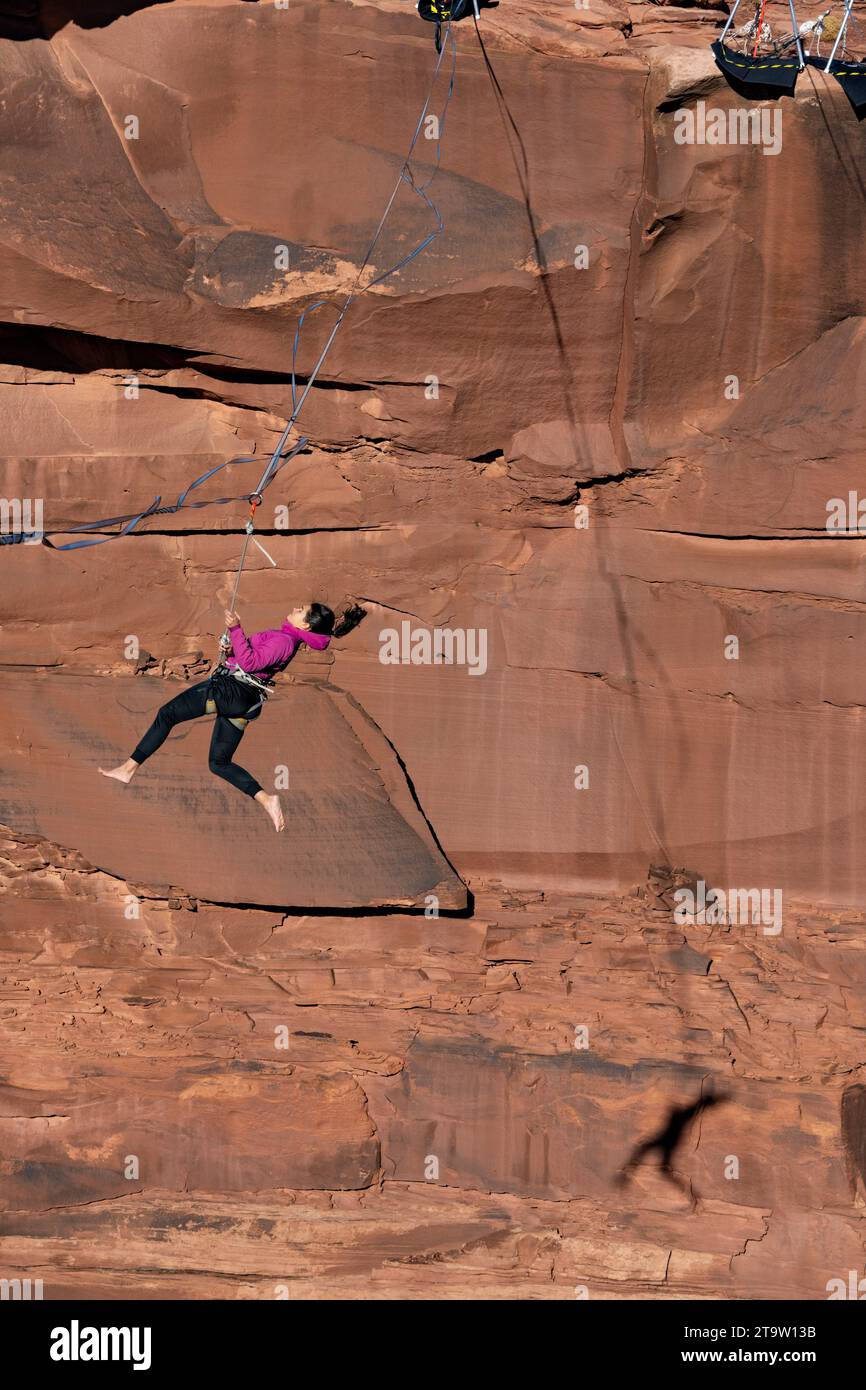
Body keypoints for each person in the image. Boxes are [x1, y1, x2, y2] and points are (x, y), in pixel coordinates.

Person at [99, 603, 352, 832]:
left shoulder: (284, 640)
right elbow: (246, 660)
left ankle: (128, 768)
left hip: (231, 691)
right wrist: (231, 649)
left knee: (167, 714)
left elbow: (251, 663)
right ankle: (266, 799)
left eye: (301, 609)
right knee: (219, 763)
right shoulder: (286, 639)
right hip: (244, 701)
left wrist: (236, 629)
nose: (295, 608)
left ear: (305, 624)